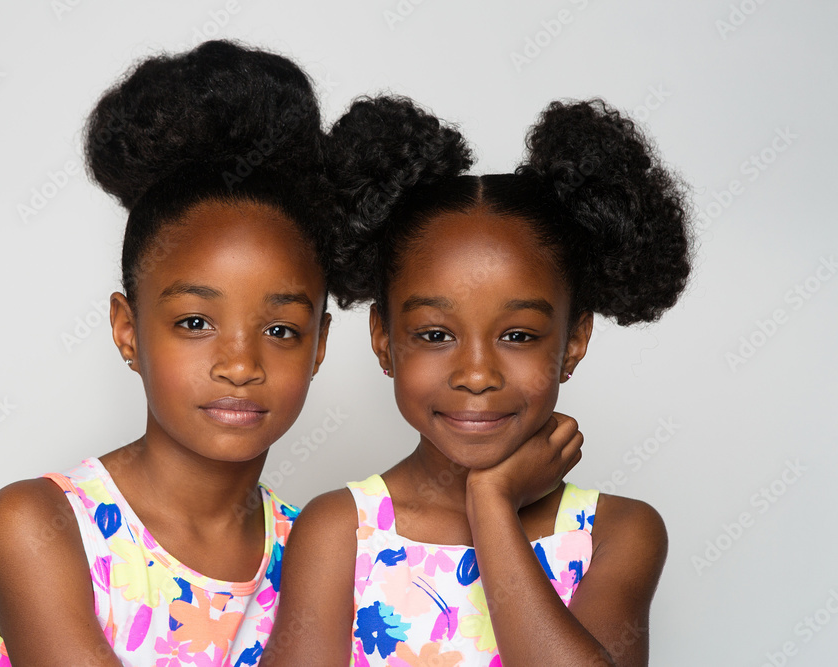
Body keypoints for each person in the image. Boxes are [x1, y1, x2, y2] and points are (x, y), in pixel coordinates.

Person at [263, 96, 692, 665]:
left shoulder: (619, 533)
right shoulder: (340, 532)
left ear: (574, 341)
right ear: (384, 339)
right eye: (436, 335)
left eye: (518, 335)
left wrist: (490, 502)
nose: (476, 374)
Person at [0, 40, 336, 666]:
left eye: (281, 330)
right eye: (196, 321)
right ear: (127, 330)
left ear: (320, 346)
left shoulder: (327, 550)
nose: (241, 364)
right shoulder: (45, 525)